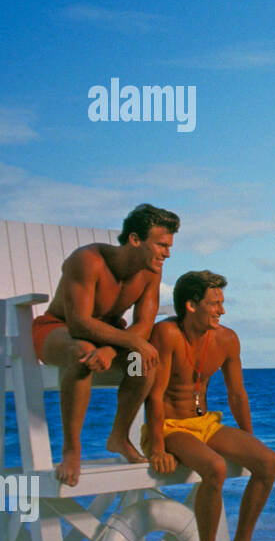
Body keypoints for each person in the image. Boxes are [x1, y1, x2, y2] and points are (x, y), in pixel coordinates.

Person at [143, 270, 275, 541]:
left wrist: (250, 441)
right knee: (215, 468)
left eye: (222, 303)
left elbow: (237, 395)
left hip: (204, 423)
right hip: (169, 426)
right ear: (191, 305)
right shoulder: (167, 333)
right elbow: (154, 393)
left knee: (268, 461)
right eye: (214, 304)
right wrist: (157, 447)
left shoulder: (227, 339)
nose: (221, 311)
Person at [32, 203, 179, 486]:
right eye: (161, 245)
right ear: (135, 239)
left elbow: (144, 325)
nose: (167, 253)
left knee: (144, 364)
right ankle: (72, 450)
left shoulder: (151, 271)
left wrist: (112, 350)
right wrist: (120, 344)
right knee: (82, 352)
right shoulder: (87, 260)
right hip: (58, 330)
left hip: (110, 336)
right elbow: (78, 324)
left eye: (169, 246)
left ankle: (119, 437)